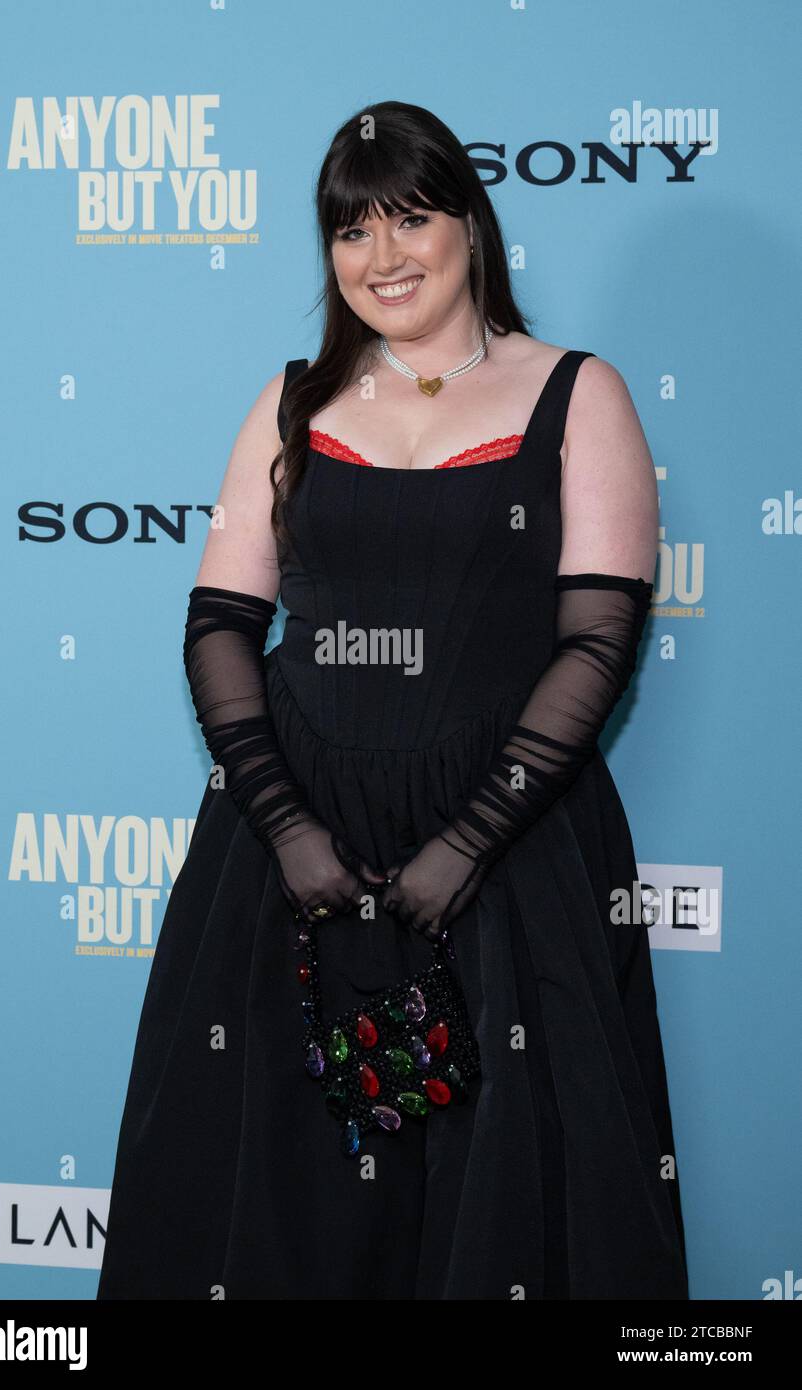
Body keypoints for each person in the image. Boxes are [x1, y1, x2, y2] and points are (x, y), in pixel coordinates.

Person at [97, 100, 688, 1300]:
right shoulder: (290, 404)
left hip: (510, 847)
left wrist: (467, 841)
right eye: (350, 230)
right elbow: (219, 625)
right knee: (277, 1198)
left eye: (409, 219)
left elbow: (596, 639)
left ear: (469, 224)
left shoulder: (577, 394)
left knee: (514, 1195)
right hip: (289, 850)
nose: (383, 257)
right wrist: (284, 824)